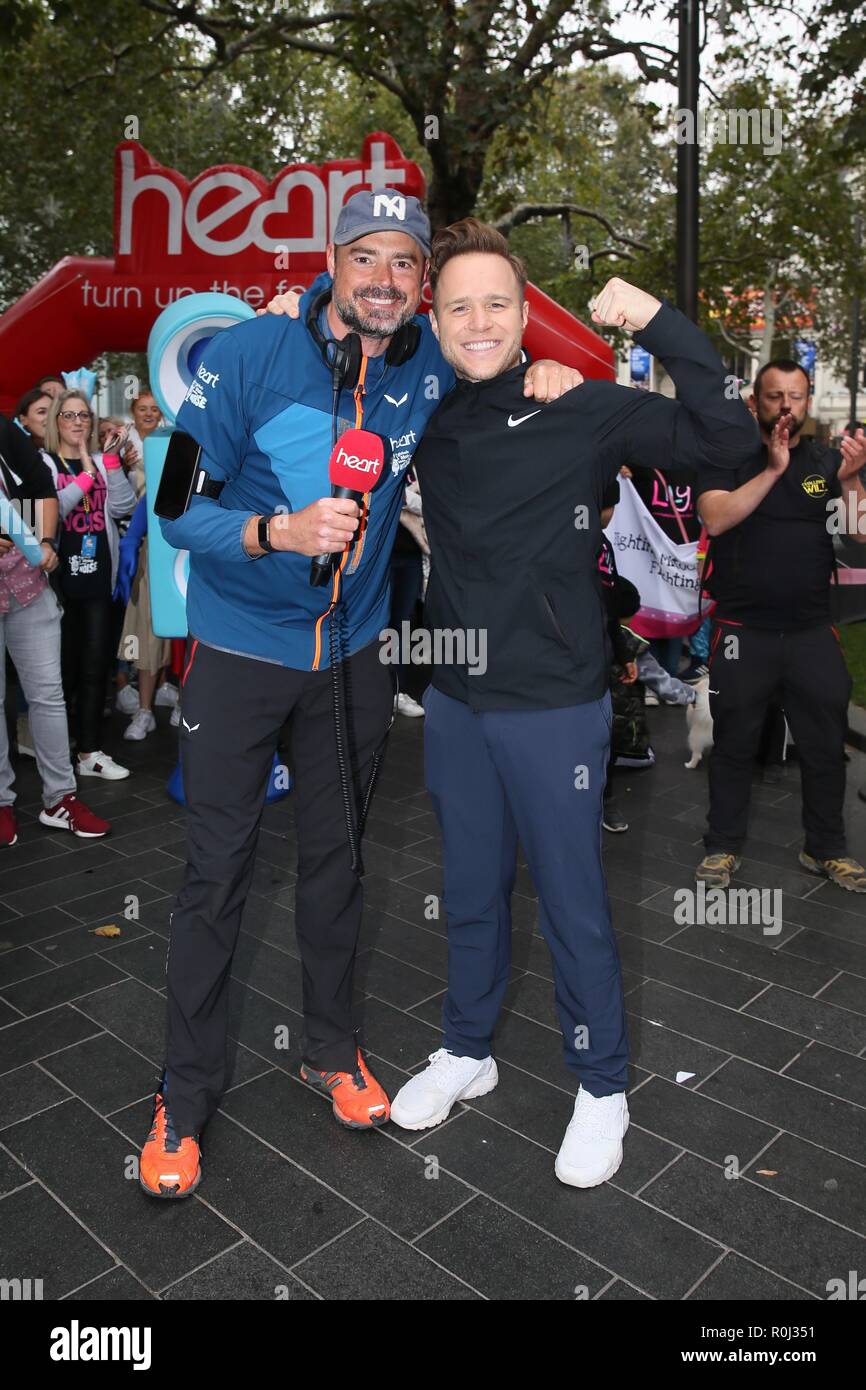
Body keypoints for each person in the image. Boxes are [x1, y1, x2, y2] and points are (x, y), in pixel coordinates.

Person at [140, 188, 580, 1199]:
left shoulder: (426, 365)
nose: (383, 281)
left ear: (421, 282)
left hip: (353, 657)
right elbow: (173, 511)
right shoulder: (249, 353)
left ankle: (330, 1051)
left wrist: (554, 372)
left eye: (403, 264)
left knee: (338, 865)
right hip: (242, 649)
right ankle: (183, 1092)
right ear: (331, 260)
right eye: (364, 257)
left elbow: (500, 383)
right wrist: (273, 533)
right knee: (217, 875)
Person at [379, 221, 756, 1189]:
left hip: (553, 704)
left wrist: (658, 321)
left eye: (495, 303)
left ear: (523, 312)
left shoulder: (582, 407)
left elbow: (727, 437)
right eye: (456, 303)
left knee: (572, 904)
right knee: (466, 893)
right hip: (457, 698)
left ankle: (600, 1086)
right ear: (436, 313)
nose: (476, 320)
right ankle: (468, 1048)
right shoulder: (424, 410)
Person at [695, 358, 866, 891]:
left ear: (808, 403)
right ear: (755, 403)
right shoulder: (727, 455)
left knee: (824, 745)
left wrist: (854, 477)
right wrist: (772, 469)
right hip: (742, 630)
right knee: (734, 744)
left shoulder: (823, 461)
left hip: (812, 630)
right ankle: (723, 846)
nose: (786, 406)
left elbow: (860, 535)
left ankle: (826, 848)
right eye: (775, 397)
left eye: (796, 396)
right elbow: (717, 517)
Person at [0, 415, 110, 844]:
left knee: (48, 694)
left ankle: (60, 798)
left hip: (29, 586)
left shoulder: (7, 433)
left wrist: (45, 542)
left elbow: (43, 491)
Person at [40, 390, 137, 780]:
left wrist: (109, 465)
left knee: (95, 668)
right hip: (57, 585)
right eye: (69, 415)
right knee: (60, 672)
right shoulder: (43, 463)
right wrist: (84, 473)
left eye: (84, 416)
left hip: (99, 579)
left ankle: (90, 751)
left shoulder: (103, 460)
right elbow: (56, 507)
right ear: (55, 422)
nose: (78, 422)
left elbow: (122, 508)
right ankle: (56, 752)